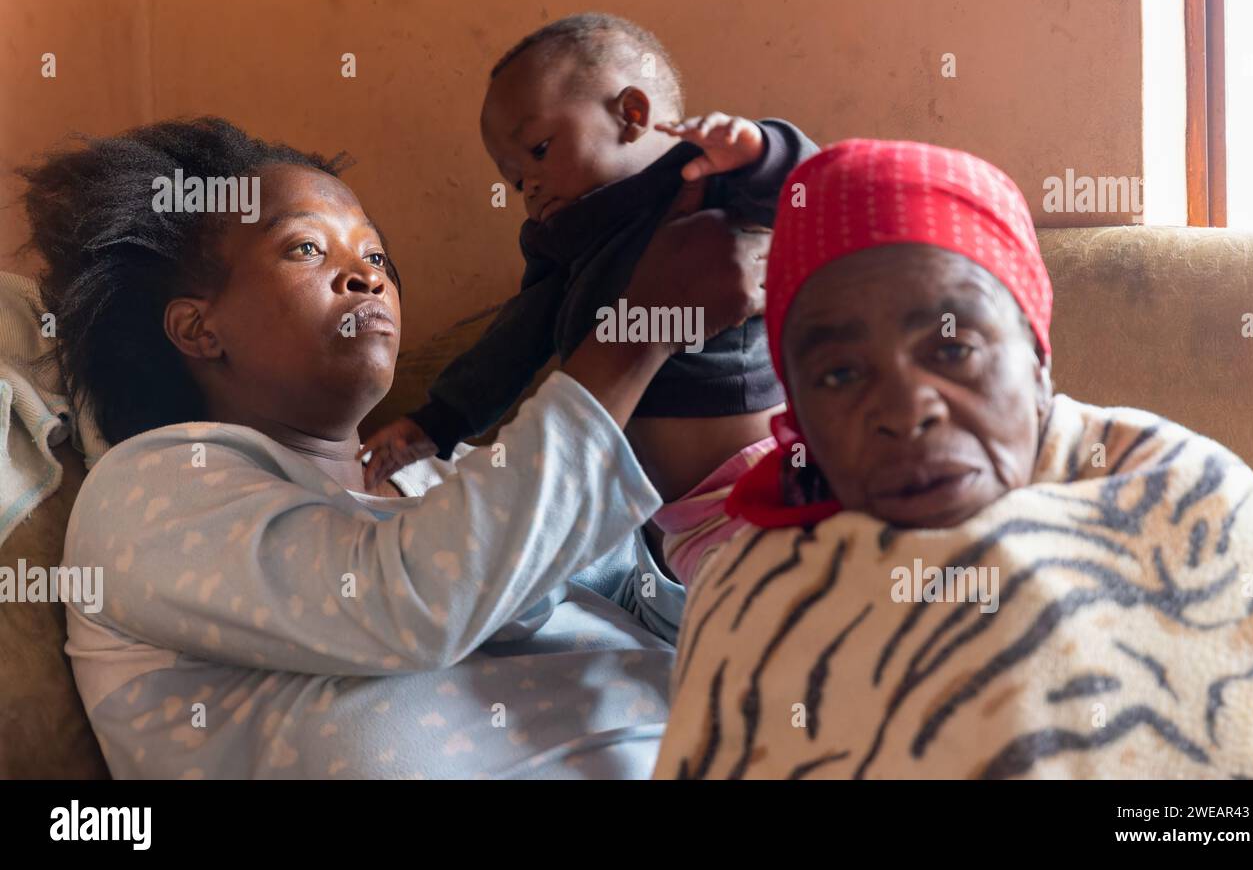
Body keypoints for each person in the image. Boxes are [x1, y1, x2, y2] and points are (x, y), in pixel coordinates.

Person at [21, 116, 767, 779]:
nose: (366, 275)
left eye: (375, 255)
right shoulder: (149, 489)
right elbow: (409, 603)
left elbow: (685, 616)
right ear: (198, 329)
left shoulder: (464, 484)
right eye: (306, 248)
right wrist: (636, 336)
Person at [654, 139, 1253, 779]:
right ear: (797, 414)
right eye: (840, 373)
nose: (906, 410)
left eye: (953, 348)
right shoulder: (755, 594)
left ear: (1037, 356)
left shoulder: (1190, 504)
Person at [361, 13, 818, 592]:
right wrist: (438, 421)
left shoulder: (702, 181)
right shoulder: (563, 249)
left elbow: (817, 191)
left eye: (540, 149)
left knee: (825, 597)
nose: (528, 186)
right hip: (676, 526)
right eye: (512, 179)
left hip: (764, 475)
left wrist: (764, 148)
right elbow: (513, 343)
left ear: (631, 114)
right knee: (750, 633)